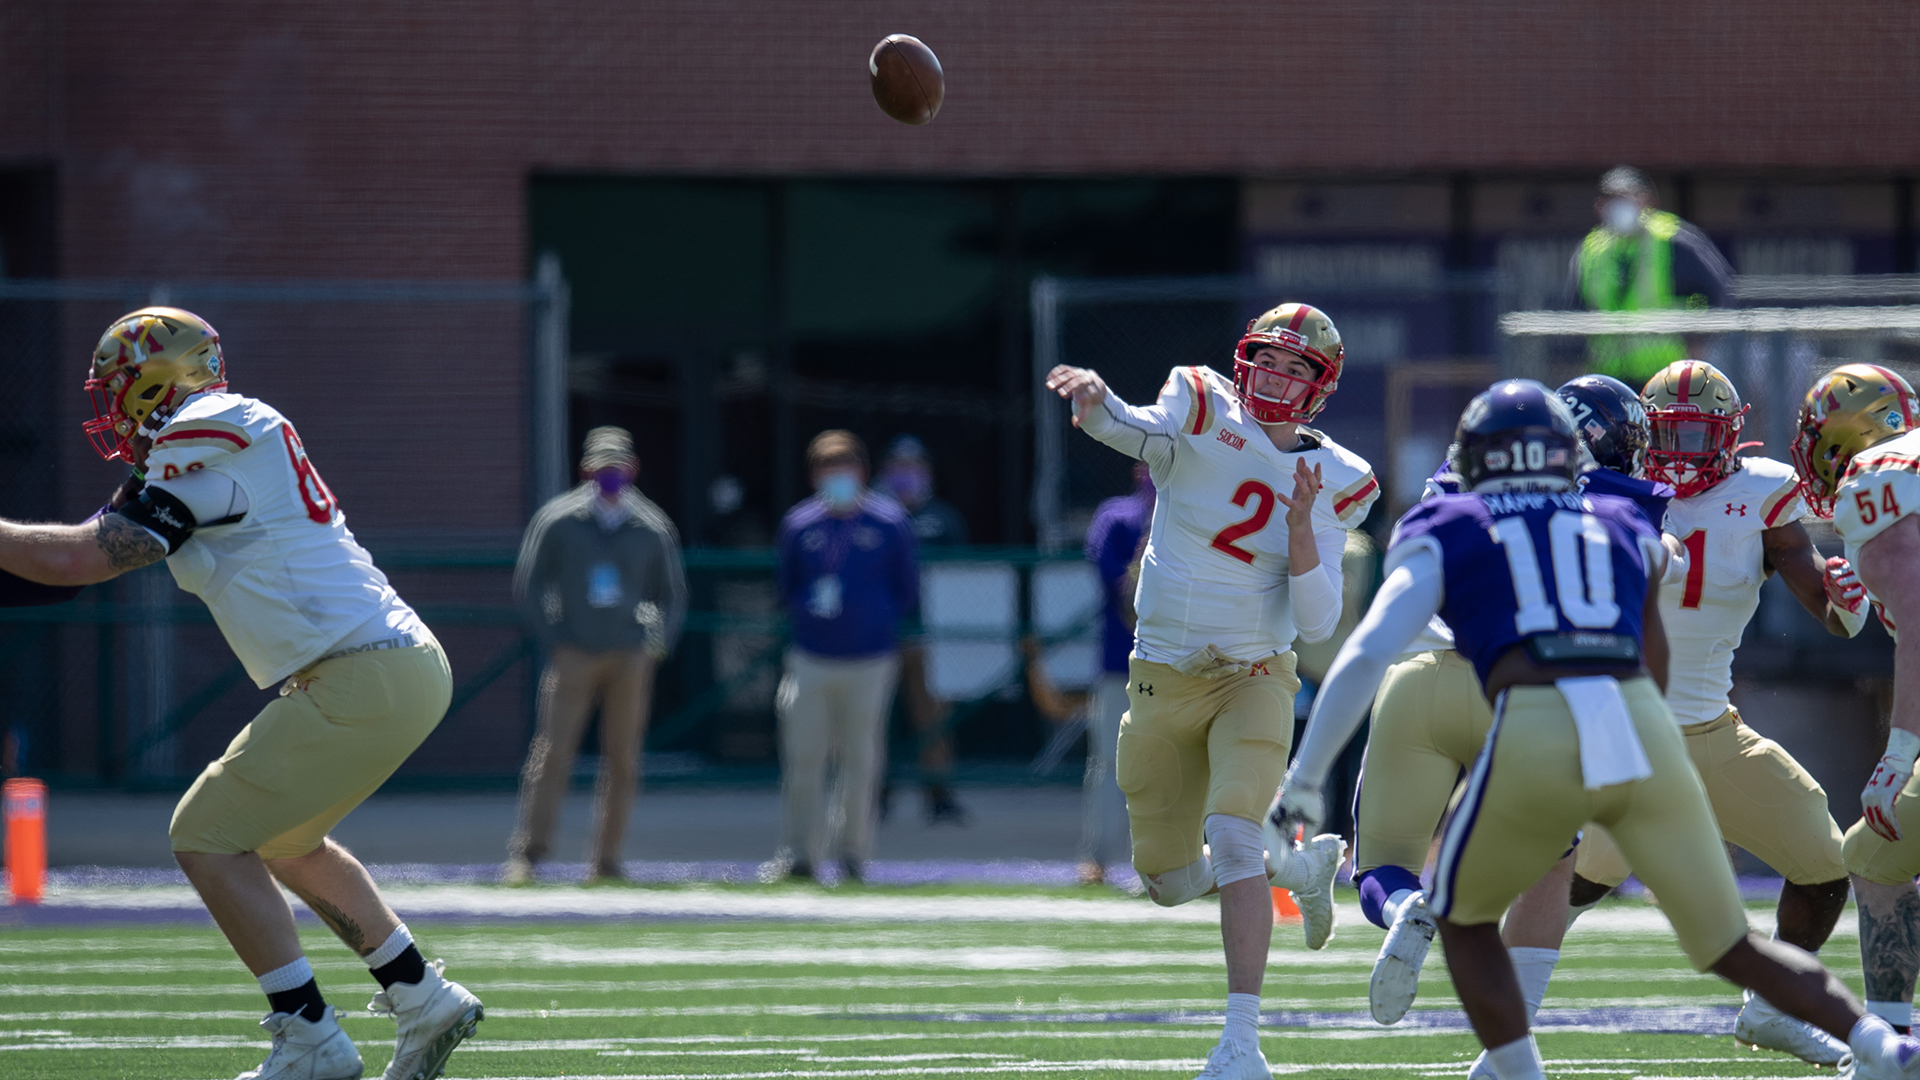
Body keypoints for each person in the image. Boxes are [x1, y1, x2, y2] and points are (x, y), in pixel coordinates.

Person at [1271, 379, 1919, 1080]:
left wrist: (1306, 777)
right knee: (1731, 942)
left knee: (1460, 915)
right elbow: (1656, 627)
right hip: (1632, 720)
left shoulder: (1451, 520)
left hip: (1531, 722)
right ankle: (1881, 1045)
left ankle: (1511, 1067)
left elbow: (1368, 651)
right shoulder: (1621, 518)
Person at [0, 308, 481, 1080]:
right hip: (389, 668)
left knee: (204, 833)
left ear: (161, 380)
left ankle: (310, 1037)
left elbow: (83, 559)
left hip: (365, 670)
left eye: (119, 388)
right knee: (285, 841)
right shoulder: (208, 442)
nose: (112, 407)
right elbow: (63, 569)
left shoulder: (211, 426)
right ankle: (421, 995)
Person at [1046, 301, 1376, 1080]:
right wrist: (1098, 405)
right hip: (1161, 674)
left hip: (1255, 674)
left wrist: (1302, 536)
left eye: (1300, 367)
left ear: (1320, 388)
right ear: (1244, 359)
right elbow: (1137, 430)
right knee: (1164, 881)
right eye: (1271, 357)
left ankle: (1240, 1043)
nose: (1279, 375)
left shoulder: (1336, 476)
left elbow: (1321, 618)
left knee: (1232, 836)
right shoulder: (1198, 405)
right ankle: (1297, 868)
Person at [1544, 360, 1867, 1063]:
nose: (1686, 454)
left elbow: (1833, 615)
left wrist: (1852, 599)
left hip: (1706, 729)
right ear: (1644, 434)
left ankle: (1771, 1011)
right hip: (1615, 726)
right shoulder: (1608, 490)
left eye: (1701, 436)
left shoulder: (1761, 494)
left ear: (1731, 436)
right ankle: (1499, 1006)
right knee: (1568, 883)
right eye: (1673, 435)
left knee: (1823, 863)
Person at [1353, 375, 1674, 1048]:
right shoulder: (1624, 500)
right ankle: (1512, 1043)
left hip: (1419, 678)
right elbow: (1648, 573)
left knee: (1381, 864)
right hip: (1521, 691)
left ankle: (1410, 907)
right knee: (1553, 865)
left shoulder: (1461, 474)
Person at [1794, 363, 1920, 1038]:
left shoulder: (1874, 483)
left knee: (1878, 846)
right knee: (1875, 855)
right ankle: (1891, 1041)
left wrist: (1898, 754)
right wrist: (1860, 601)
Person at [505, 426, 687, 886]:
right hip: (575, 652)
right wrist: (557, 637)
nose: (610, 475)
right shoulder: (559, 520)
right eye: (602, 467)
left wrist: (655, 645)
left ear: (632, 470)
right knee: (552, 753)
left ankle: (607, 861)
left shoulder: (650, 525)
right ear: (586, 469)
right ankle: (530, 854)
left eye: (618, 467)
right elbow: (530, 585)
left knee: (623, 758)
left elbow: (672, 594)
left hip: (629, 654)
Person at [765, 430, 919, 883]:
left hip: (871, 659)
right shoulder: (799, 524)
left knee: (860, 759)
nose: (838, 476)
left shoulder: (889, 523)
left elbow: (906, 588)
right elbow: (785, 587)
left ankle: (852, 854)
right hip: (811, 656)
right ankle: (797, 854)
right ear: (815, 475)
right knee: (803, 755)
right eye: (829, 468)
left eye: (846, 467)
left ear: (863, 473)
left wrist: (875, 616)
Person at [1567, 165, 1733, 386]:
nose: (1619, 207)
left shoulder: (1673, 240)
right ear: (1600, 206)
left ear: (1646, 201)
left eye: (1626, 198)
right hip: (1608, 377)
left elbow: (1718, 292)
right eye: (1612, 199)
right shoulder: (1591, 249)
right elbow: (1573, 310)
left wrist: (1697, 340)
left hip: (1669, 376)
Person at [874, 434, 967, 824]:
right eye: (898, 466)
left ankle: (939, 793)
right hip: (879, 636)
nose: (906, 475)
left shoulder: (942, 518)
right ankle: (874, 794)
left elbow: (964, 576)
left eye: (914, 467)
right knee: (874, 717)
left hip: (930, 636)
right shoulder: (873, 516)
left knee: (933, 716)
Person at [1079, 461, 1155, 885]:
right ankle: (1097, 856)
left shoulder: (1197, 512)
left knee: (1169, 765)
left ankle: (1164, 858)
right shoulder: (1116, 516)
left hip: (1178, 664)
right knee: (1107, 761)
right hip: (1119, 660)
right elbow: (1122, 600)